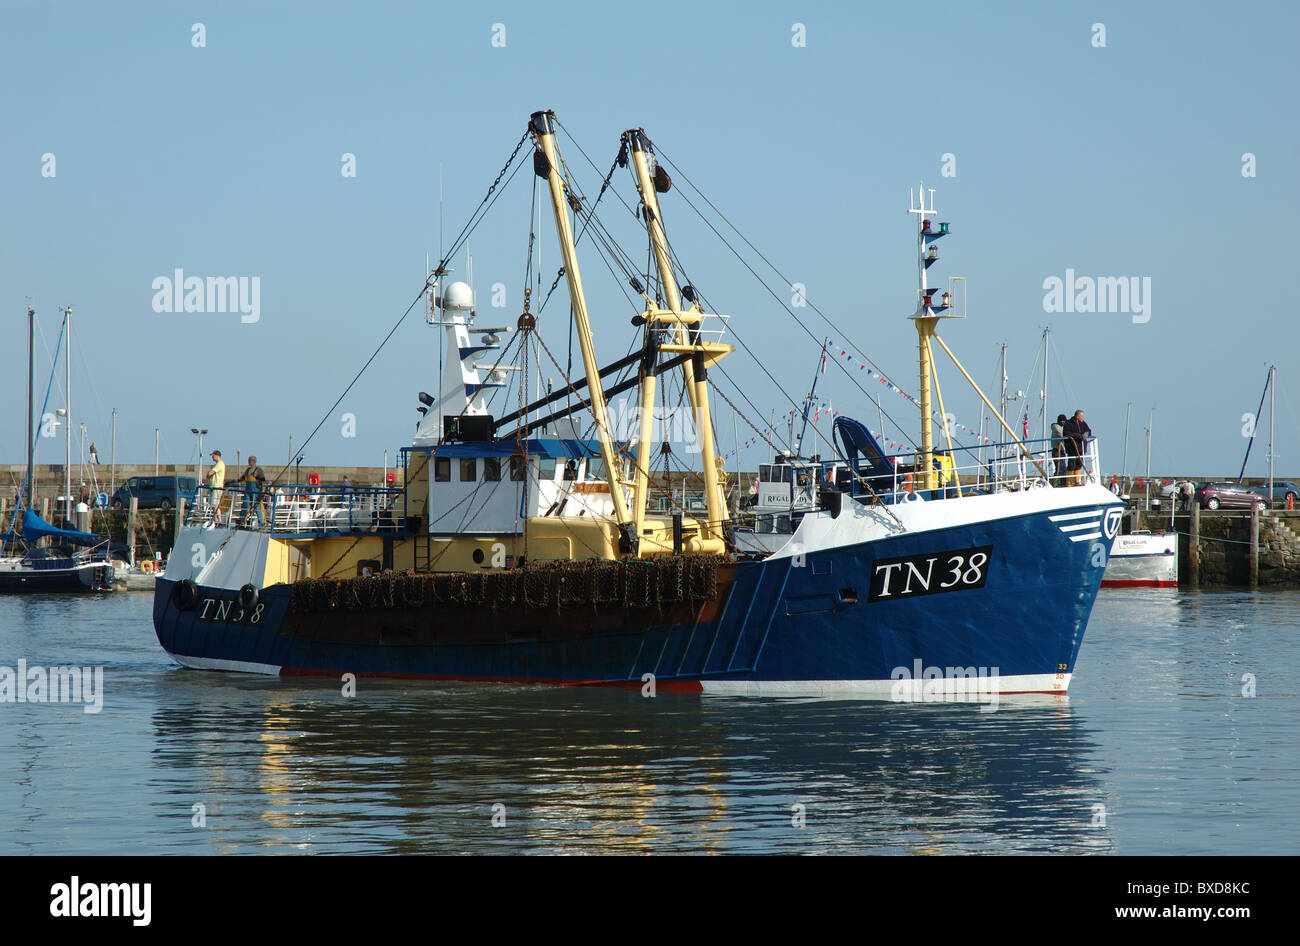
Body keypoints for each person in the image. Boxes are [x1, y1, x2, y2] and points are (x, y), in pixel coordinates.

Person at [1062, 410, 1092, 486]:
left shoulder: (1083, 423)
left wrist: (1086, 434)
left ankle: (1076, 481)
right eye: (1082, 416)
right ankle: (1069, 482)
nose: (1083, 418)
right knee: (1071, 464)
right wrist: (1078, 435)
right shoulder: (1068, 423)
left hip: (1081, 448)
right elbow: (1066, 433)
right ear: (1077, 416)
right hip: (1072, 448)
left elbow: (1089, 430)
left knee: (1079, 464)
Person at [242, 456, 267, 527]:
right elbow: (242, 478)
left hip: (256, 491)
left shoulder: (258, 470)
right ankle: (242, 521)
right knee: (245, 505)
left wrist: (261, 491)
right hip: (248, 491)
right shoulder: (248, 470)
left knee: (257, 507)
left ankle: (261, 522)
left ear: (254, 461)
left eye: (250, 461)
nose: (248, 462)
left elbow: (262, 481)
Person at [205, 450, 226, 519]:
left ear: (217, 456)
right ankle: (216, 519)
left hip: (217, 487)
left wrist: (208, 474)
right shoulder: (217, 464)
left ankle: (218, 520)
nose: (212, 458)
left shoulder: (219, 464)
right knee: (213, 504)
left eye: (213, 456)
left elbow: (210, 473)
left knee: (215, 504)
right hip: (214, 487)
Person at [1051, 414, 1068, 484]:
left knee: (1063, 467)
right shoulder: (1056, 427)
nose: (1064, 422)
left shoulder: (1061, 428)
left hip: (1061, 450)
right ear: (1060, 421)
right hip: (1056, 450)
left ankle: (1063, 482)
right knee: (1059, 468)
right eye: (1063, 421)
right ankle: (1057, 483)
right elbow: (1061, 435)